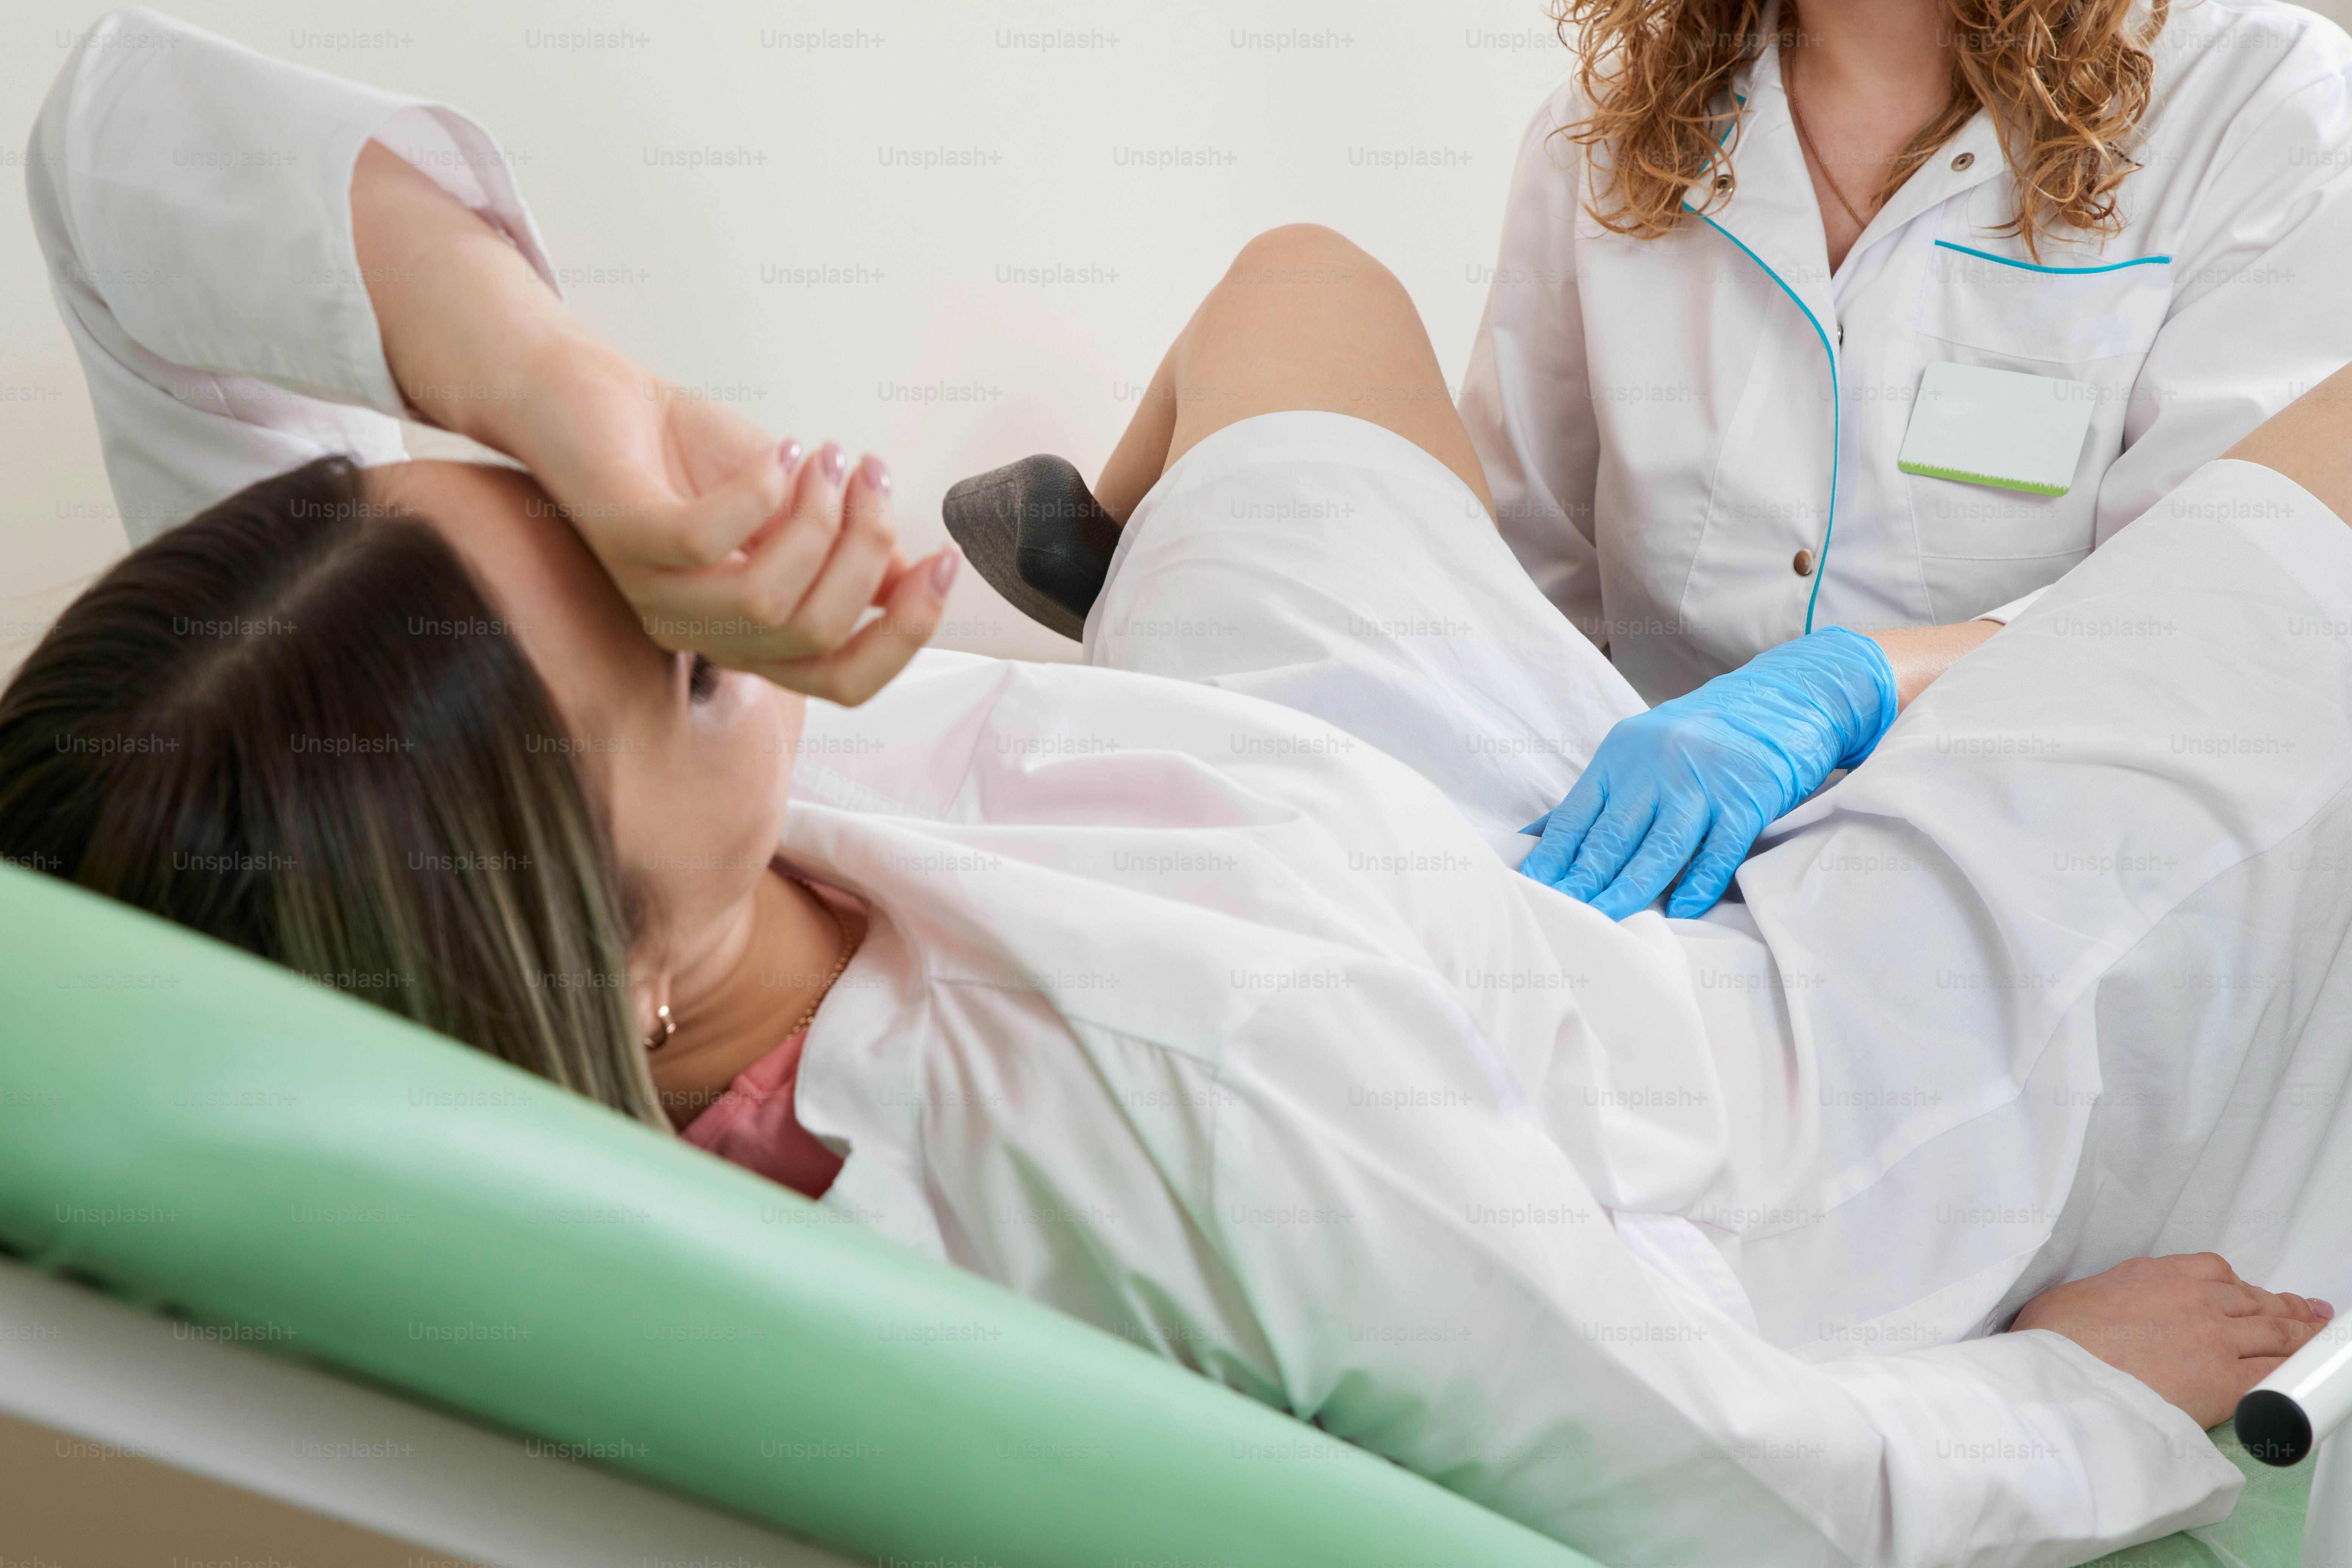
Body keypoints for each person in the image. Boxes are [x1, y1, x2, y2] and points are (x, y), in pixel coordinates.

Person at [8, 14, 2352, 1566]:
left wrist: (558, 392)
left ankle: (1112, 534)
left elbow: (114, 158)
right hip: (1761, 1038)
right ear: (598, 961)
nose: (695, 569)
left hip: (1318, 813)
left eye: (555, 508)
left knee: (1293, 295)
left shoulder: (345, 789)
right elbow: (1738, 1479)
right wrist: (2074, 1401)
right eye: (677, 648)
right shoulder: (1174, 1098)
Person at [1456, 0, 2352, 912]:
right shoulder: (1607, 129)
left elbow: (2218, 607)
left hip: (2044, 878)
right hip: (1656, 869)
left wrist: (1865, 684)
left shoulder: (2259, 102)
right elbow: (1523, 581)